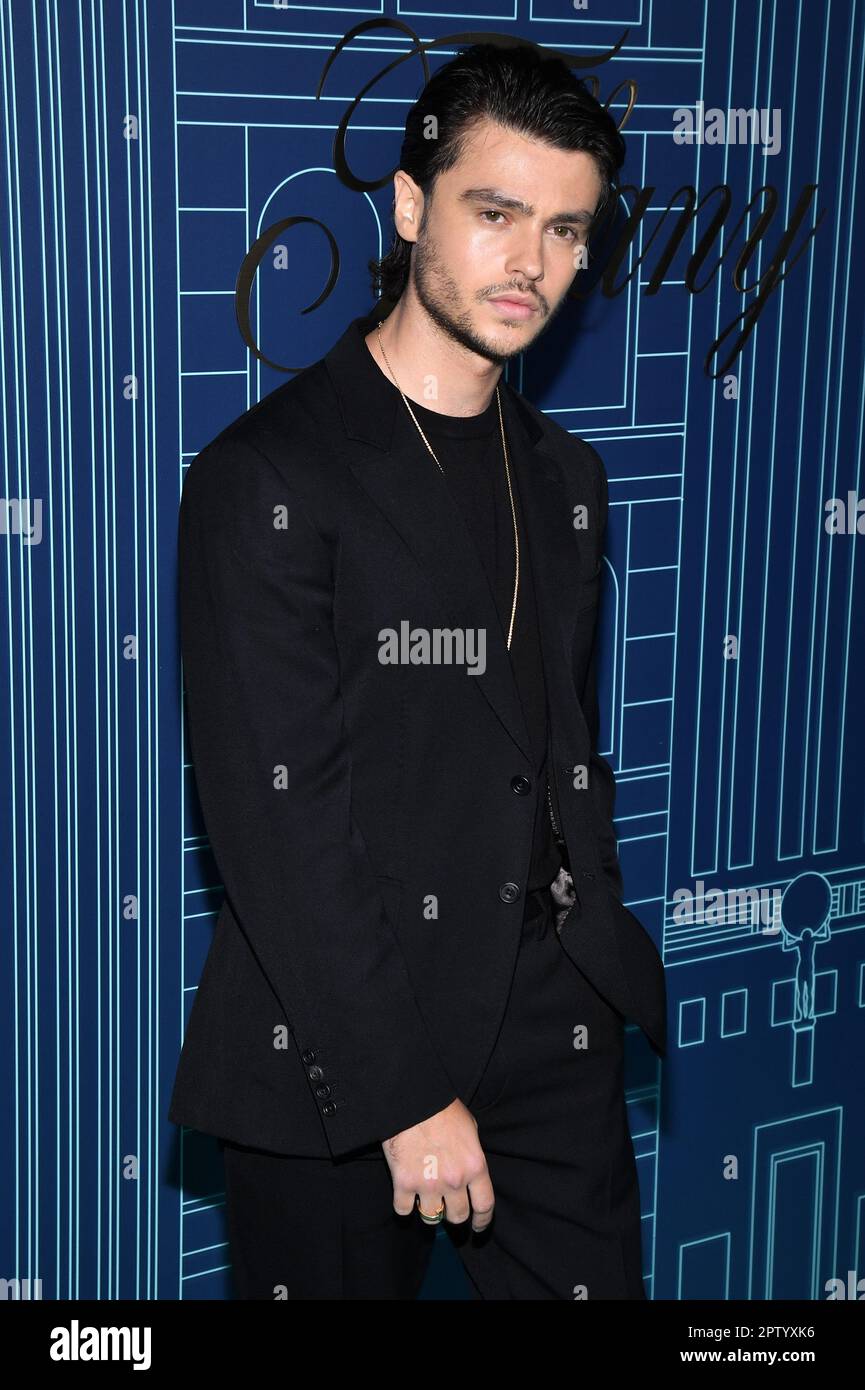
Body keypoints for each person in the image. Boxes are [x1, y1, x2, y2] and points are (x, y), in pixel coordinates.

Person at [168, 40, 666, 1300]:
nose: (532, 265)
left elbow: (550, 746)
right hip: (338, 1046)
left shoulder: (568, 481)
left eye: (564, 229)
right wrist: (403, 1087)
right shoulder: (267, 479)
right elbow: (278, 823)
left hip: (551, 1025)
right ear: (407, 206)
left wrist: (593, 948)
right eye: (494, 214)